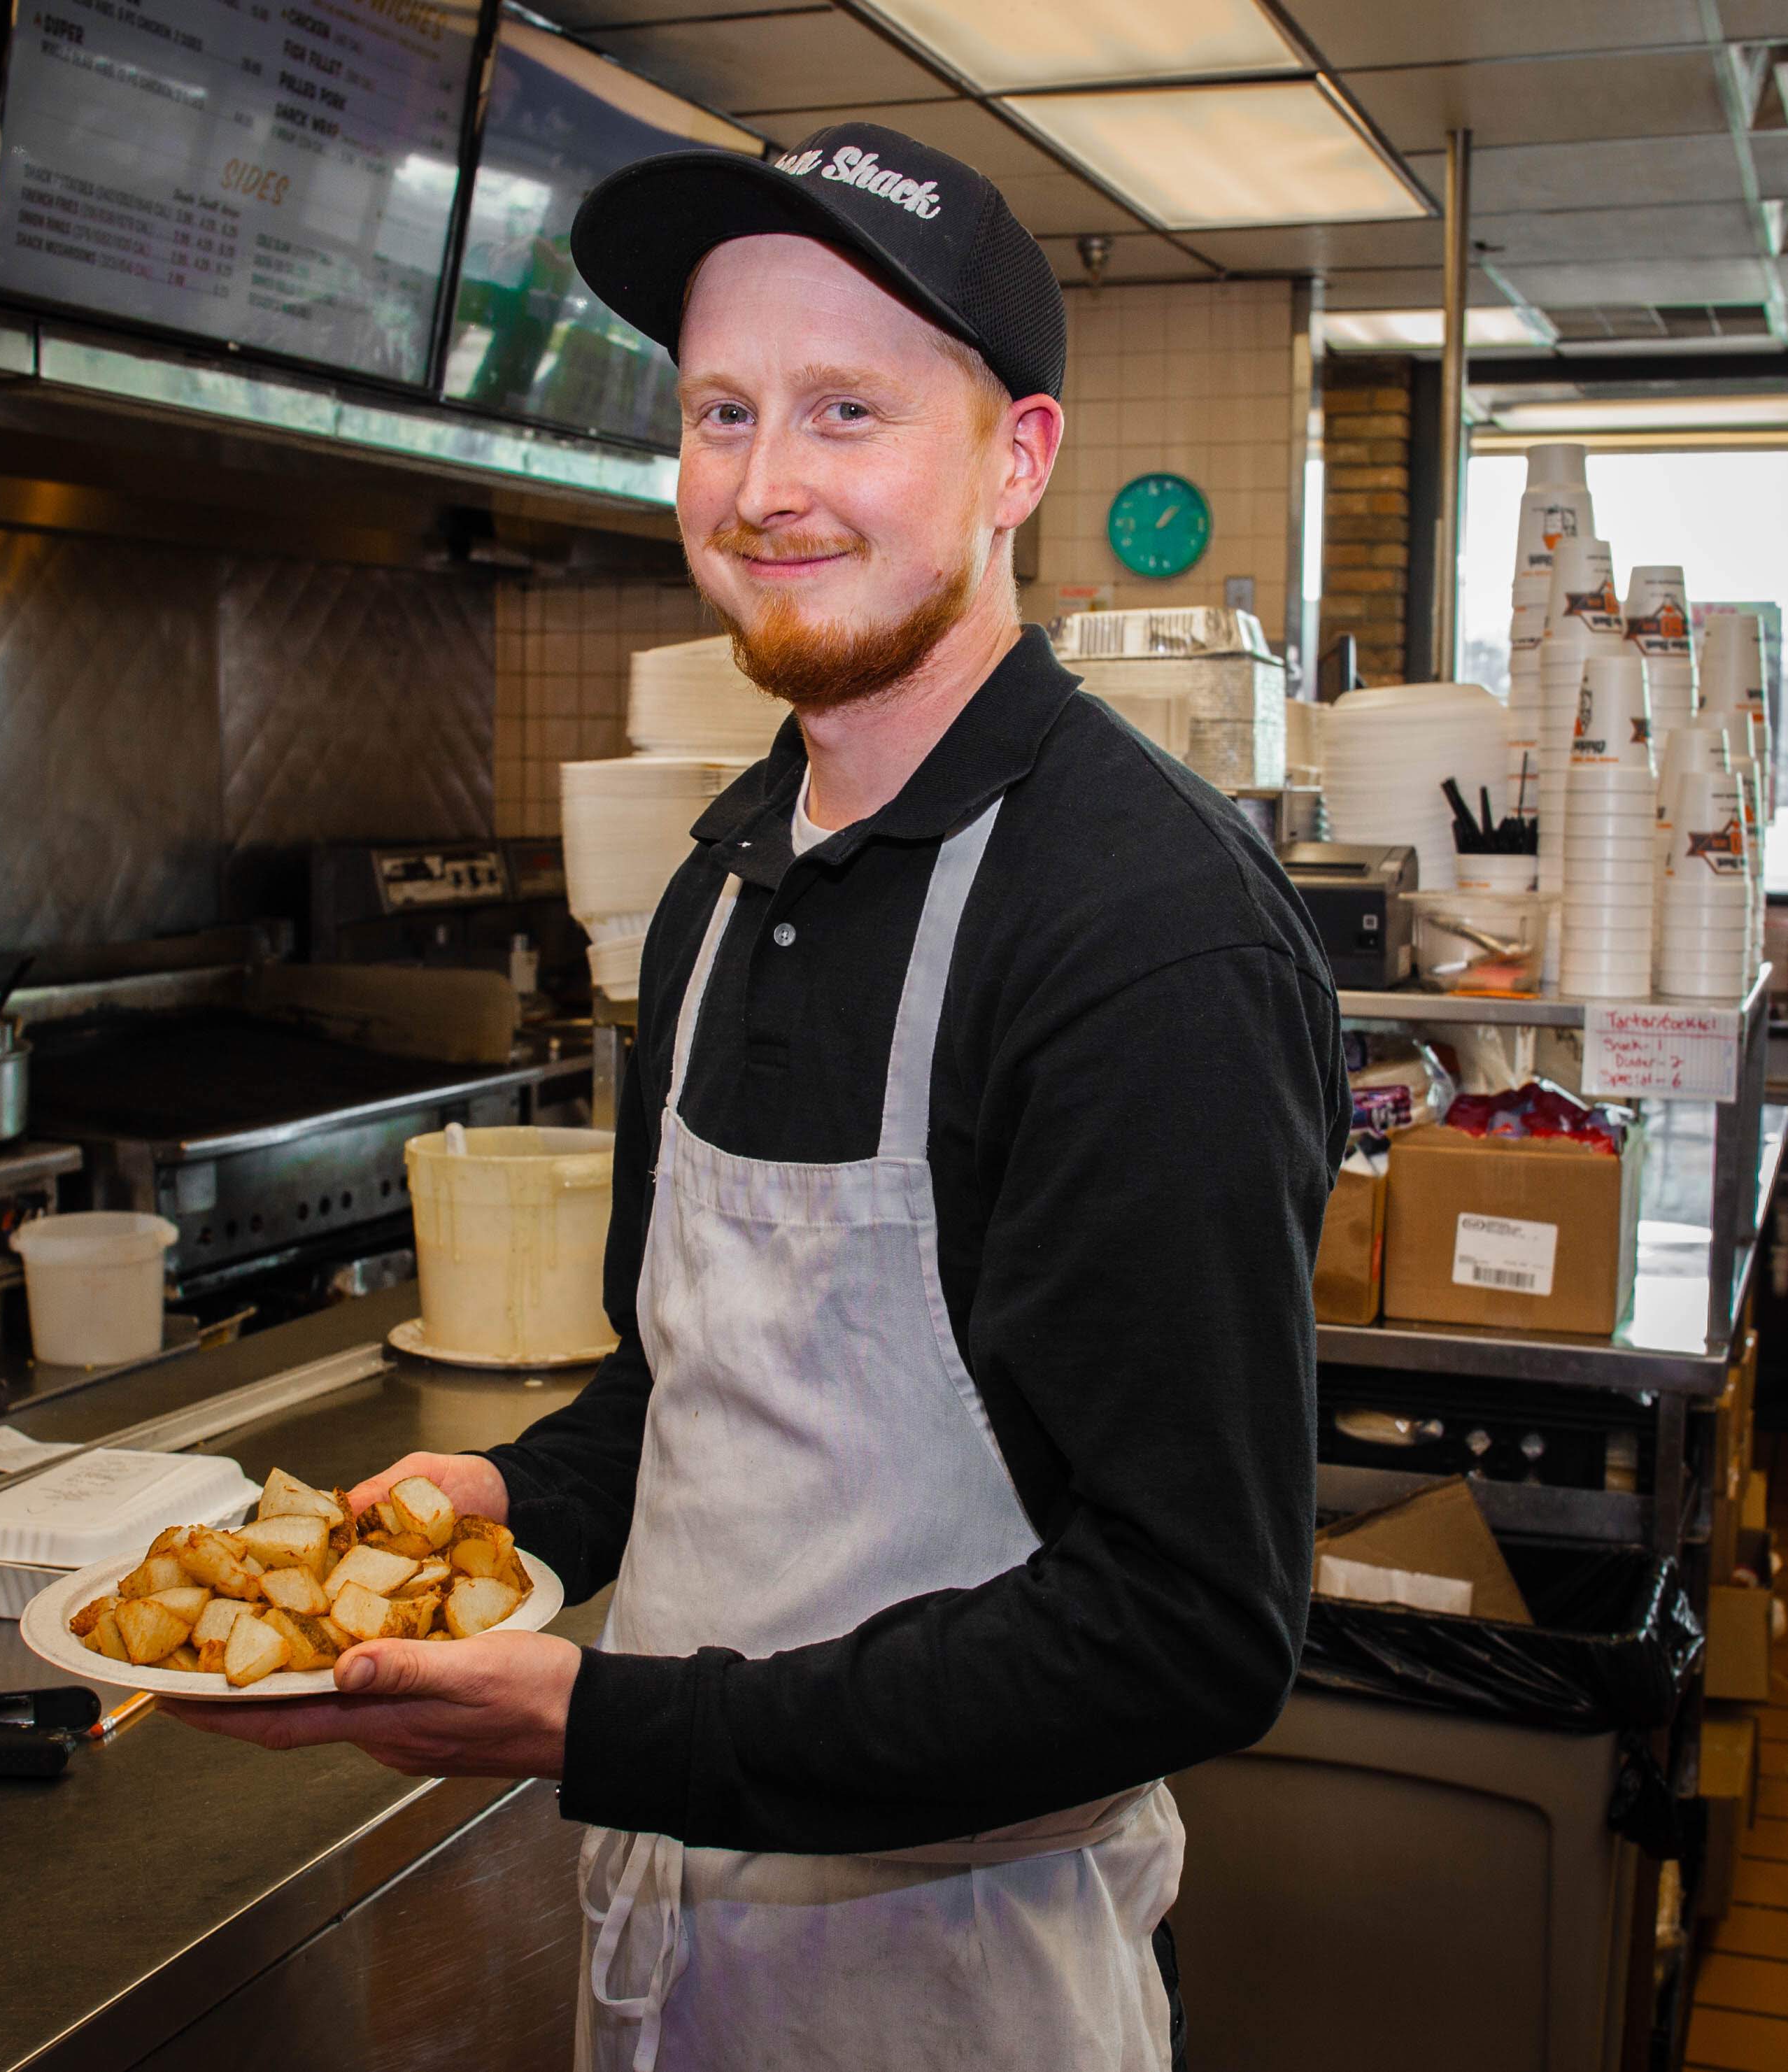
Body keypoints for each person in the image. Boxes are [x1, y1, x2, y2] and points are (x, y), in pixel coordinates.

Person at [173, 122, 1349, 2071]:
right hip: (668, 1941)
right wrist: (504, 1493)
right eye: (721, 411)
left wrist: (603, 1721)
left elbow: (1186, 1622)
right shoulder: (726, 878)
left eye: (846, 407)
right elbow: (693, 1383)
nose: (767, 481)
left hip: (965, 1982)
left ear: (1016, 461)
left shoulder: (1140, 937)